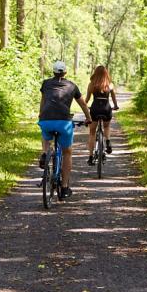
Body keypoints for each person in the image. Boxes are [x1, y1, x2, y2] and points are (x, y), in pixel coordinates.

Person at [38, 59, 91, 200]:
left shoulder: (46, 83)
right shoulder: (72, 86)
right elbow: (83, 104)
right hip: (63, 122)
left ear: (53, 72)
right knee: (67, 152)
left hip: (46, 119)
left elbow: (43, 101)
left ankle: (44, 153)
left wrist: (41, 115)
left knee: (45, 131)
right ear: (65, 72)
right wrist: (88, 118)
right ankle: (65, 186)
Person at [85, 64, 118, 164]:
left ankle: (90, 157)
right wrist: (115, 106)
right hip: (106, 109)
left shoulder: (91, 84)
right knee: (106, 126)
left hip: (95, 109)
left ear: (95, 73)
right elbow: (113, 98)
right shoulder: (110, 84)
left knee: (92, 132)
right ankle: (107, 141)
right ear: (105, 74)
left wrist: (85, 106)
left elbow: (87, 99)